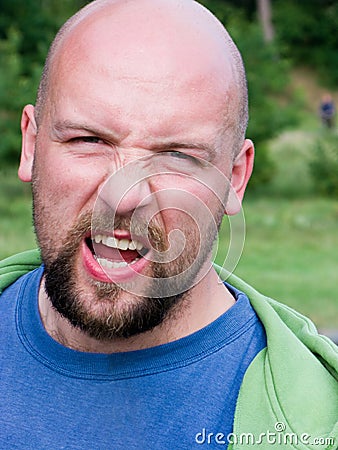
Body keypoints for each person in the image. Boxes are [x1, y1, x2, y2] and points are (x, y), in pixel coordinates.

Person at [0, 0, 337, 448]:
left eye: (177, 156)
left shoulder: (316, 427)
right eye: (89, 140)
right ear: (32, 144)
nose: (123, 197)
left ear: (235, 178)